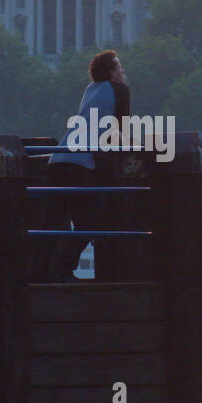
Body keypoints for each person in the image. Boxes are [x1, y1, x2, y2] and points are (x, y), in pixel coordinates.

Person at [42, 50, 130, 281]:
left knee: (53, 222)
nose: (123, 72)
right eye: (120, 68)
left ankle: (43, 272)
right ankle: (60, 270)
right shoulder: (120, 90)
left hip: (58, 160)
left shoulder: (90, 90)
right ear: (112, 72)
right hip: (79, 164)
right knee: (89, 223)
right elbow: (121, 131)